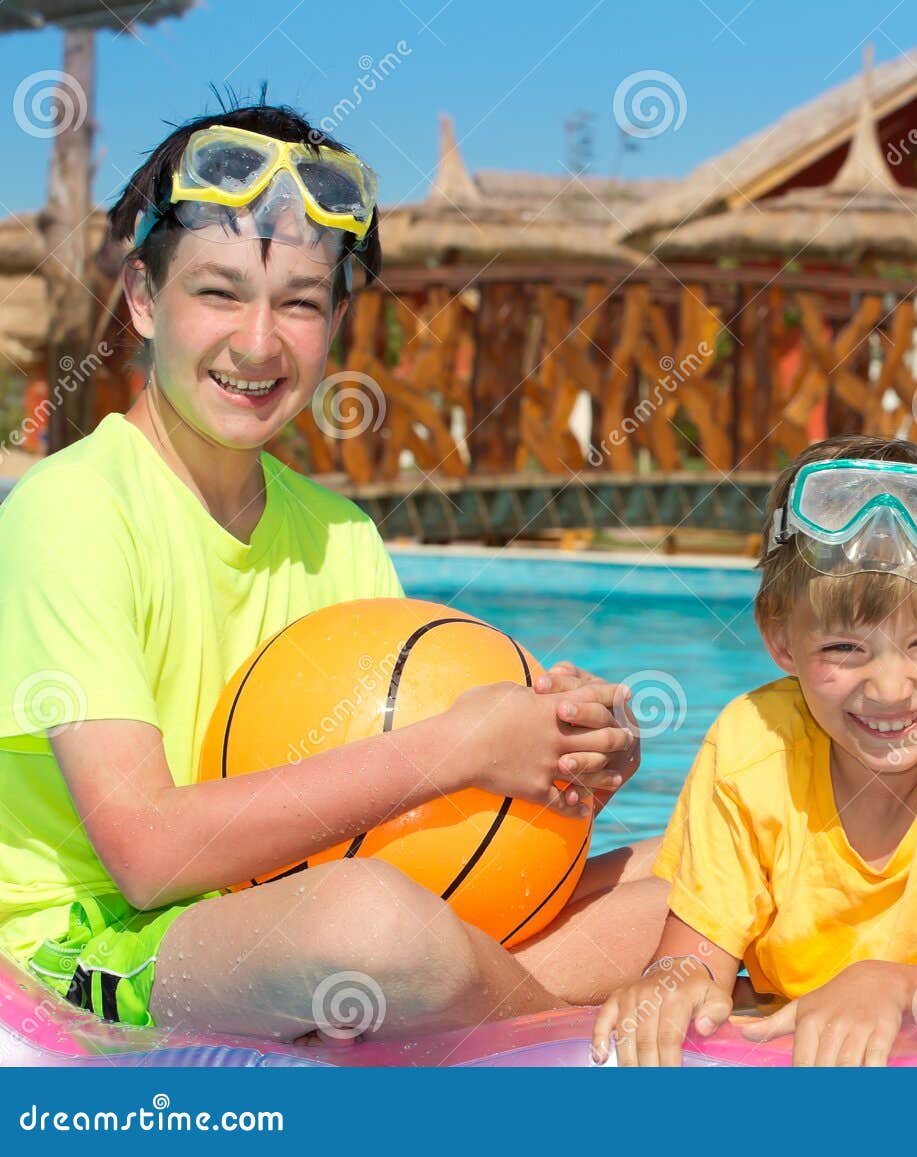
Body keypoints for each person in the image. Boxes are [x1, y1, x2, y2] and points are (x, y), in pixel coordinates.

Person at [0, 104, 665, 1044]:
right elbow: (145, 854)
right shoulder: (71, 509)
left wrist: (564, 755)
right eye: (220, 293)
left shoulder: (341, 535)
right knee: (374, 925)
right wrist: (462, 747)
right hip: (95, 943)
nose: (260, 341)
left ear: (338, 319)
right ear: (144, 300)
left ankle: (470, 1003)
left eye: (301, 302)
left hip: (284, 905)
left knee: (697, 864)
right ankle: (538, 1031)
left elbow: (394, 802)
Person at [593, 435, 917, 1067]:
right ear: (781, 640)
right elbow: (693, 959)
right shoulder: (752, 744)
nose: (888, 689)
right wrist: (672, 980)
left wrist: (893, 988)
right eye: (842, 649)